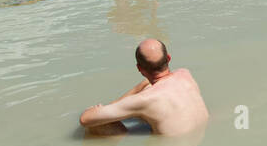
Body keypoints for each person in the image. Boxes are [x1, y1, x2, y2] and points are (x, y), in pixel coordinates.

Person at [79, 39, 209, 136]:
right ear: (168, 58)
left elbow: (85, 119)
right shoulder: (185, 74)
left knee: (99, 124)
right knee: (146, 92)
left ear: (139, 68)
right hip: (198, 135)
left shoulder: (144, 100)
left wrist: (97, 109)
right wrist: (143, 85)